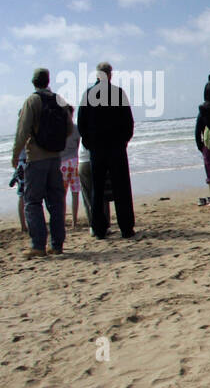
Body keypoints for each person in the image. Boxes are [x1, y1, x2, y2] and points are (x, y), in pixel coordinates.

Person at [11, 68, 73, 257]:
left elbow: (22, 131)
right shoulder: (59, 100)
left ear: (33, 82)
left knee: (32, 202)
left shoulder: (32, 101)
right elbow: (69, 128)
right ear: (48, 81)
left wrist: (15, 155)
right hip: (55, 157)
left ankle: (38, 245)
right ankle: (57, 245)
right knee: (56, 202)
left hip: (36, 158)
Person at [77, 61, 135, 239]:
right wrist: (124, 141)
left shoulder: (88, 95)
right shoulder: (117, 93)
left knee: (98, 189)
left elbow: (81, 124)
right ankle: (126, 228)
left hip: (97, 149)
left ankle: (99, 228)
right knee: (121, 189)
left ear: (97, 75)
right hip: (116, 147)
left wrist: (89, 144)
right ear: (110, 75)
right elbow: (128, 122)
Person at [60, 105, 82, 228]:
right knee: (75, 192)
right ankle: (74, 221)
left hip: (62, 163)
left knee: (62, 195)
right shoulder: (75, 129)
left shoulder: (59, 130)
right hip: (74, 162)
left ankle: (62, 220)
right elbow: (78, 146)